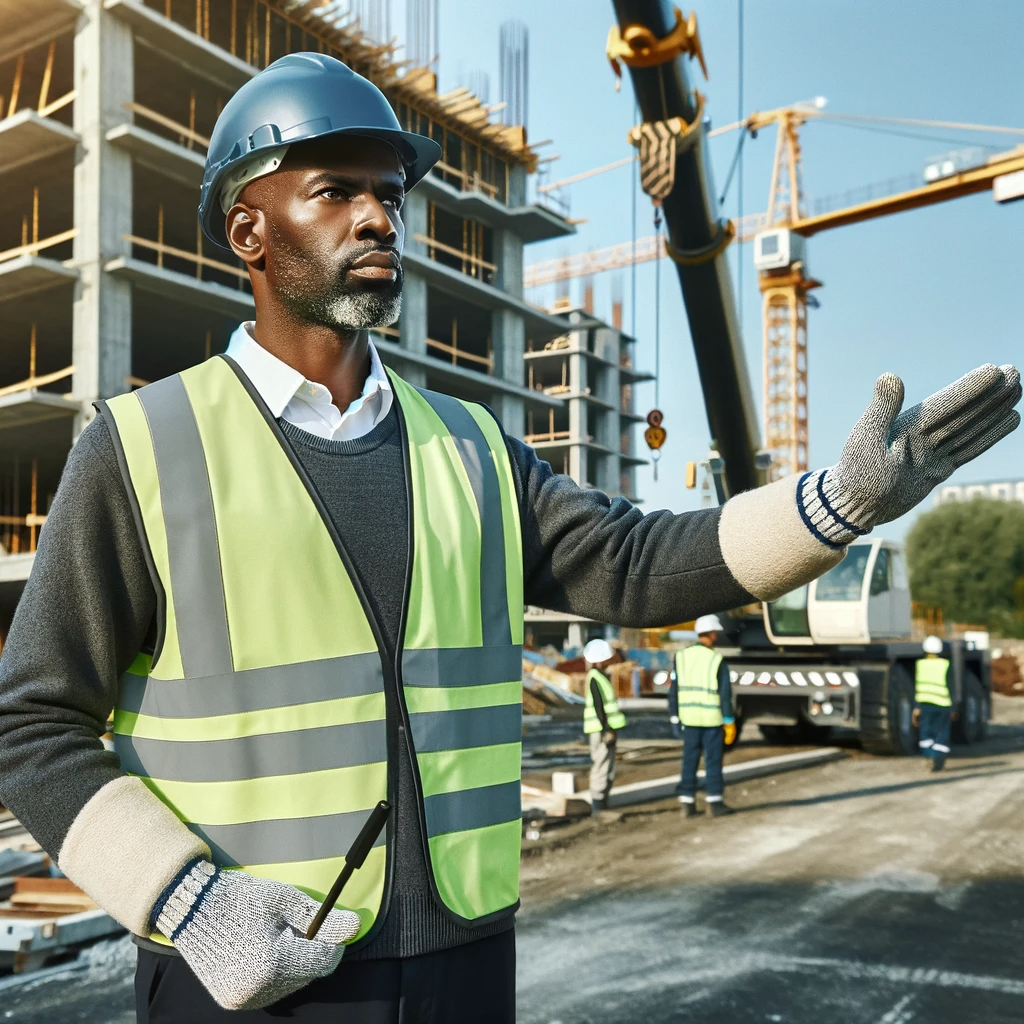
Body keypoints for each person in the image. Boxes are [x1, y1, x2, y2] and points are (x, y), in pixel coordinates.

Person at [0, 52, 1018, 1024]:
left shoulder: (472, 447)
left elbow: (632, 562)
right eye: (335, 191)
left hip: (463, 962)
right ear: (246, 232)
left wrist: (831, 505)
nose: (376, 217)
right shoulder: (142, 450)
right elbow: (33, 726)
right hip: (246, 976)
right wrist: (186, 902)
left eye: (390, 196)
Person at [671, 615, 737, 818]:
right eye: (715, 633)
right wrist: (729, 721)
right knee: (713, 762)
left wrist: (674, 717)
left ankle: (687, 803)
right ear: (709, 634)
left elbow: (673, 690)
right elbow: (724, 694)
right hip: (711, 720)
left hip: (689, 719)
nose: (716, 637)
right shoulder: (716, 659)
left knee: (689, 761)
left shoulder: (681, 657)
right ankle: (714, 802)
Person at [582, 639, 628, 814]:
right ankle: (599, 804)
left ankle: (602, 801)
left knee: (606, 764)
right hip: (601, 730)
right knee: (601, 765)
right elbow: (598, 706)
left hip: (604, 729)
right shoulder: (595, 678)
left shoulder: (600, 676)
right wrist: (606, 730)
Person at [914, 635, 953, 771]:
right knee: (941, 733)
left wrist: (916, 707)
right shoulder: (945, 664)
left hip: (925, 704)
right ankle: (939, 759)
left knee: (926, 732)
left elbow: (918, 685)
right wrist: (954, 707)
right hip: (943, 704)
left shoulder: (920, 664)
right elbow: (951, 686)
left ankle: (928, 756)